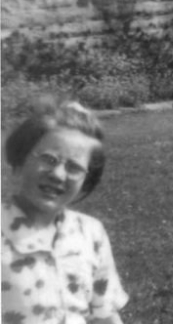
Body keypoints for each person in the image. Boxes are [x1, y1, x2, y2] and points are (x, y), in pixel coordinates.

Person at [2, 99, 129, 324]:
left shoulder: (91, 233)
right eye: (48, 159)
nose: (58, 174)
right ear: (20, 160)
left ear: (86, 181)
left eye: (74, 168)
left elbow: (104, 314)